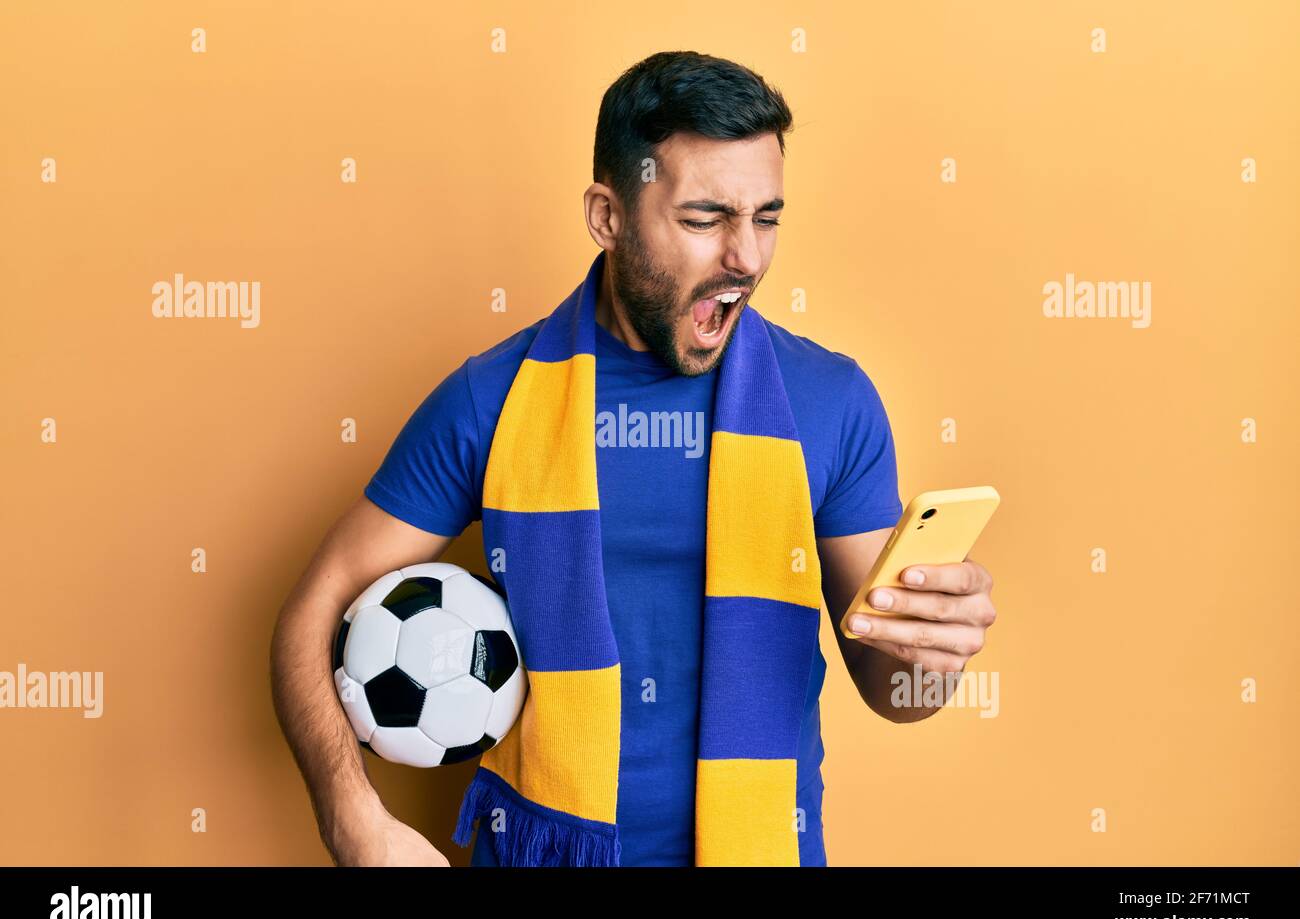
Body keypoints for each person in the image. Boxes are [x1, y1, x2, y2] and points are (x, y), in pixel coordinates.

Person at [270, 50, 998, 867]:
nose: (747, 258)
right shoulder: (493, 400)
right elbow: (314, 608)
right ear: (607, 216)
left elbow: (891, 691)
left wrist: (928, 661)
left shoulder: (831, 403)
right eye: (704, 219)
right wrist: (351, 820)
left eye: (766, 218)